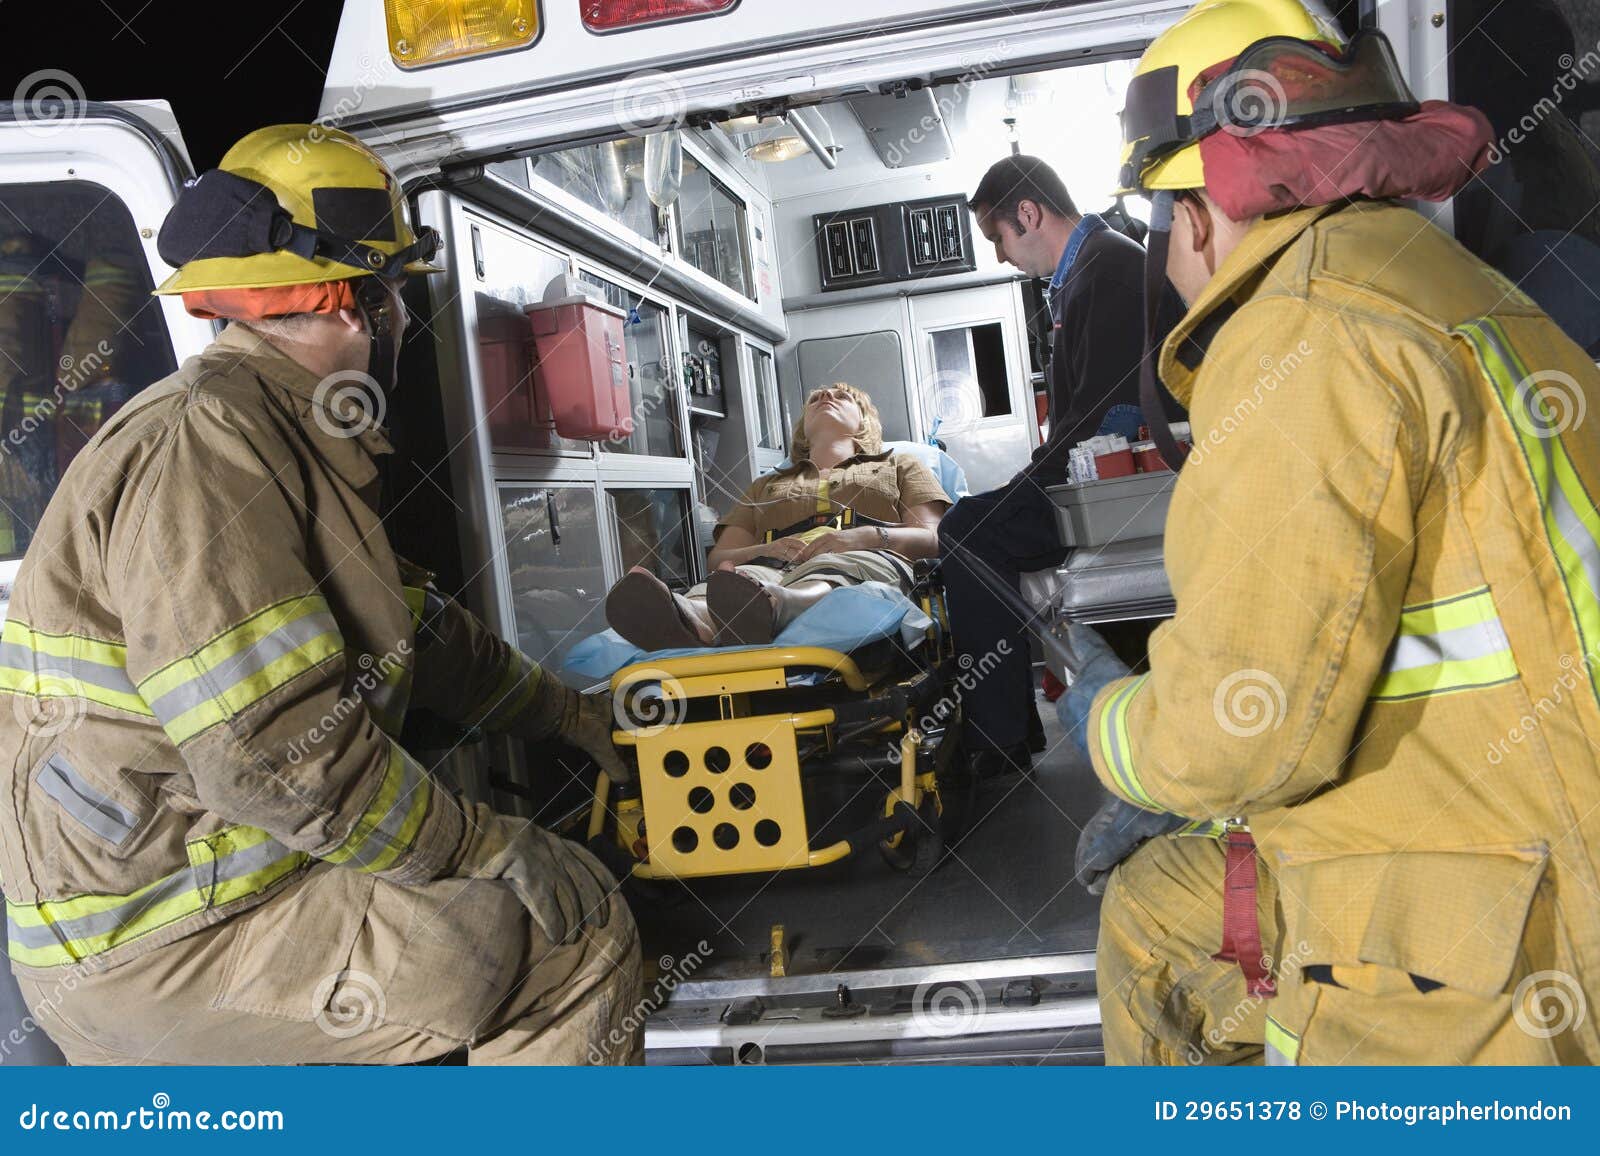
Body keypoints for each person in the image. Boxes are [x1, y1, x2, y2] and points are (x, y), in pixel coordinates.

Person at [0, 125, 643, 1065]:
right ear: (357, 307)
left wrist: (564, 716)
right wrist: (486, 846)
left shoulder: (267, 430)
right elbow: (268, 757)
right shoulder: (206, 450)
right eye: (396, 297)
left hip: (192, 896)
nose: (402, 325)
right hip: (168, 937)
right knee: (573, 937)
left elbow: (415, 632)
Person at [1059, 0, 1600, 1065]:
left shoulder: (1303, 333)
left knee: (1160, 941)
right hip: (1524, 798)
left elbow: (1235, 737)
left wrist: (1107, 727)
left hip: (1504, 899)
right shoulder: (1448, 287)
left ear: (1200, 211)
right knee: (1157, 906)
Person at [938, 155, 1160, 776]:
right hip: (1089, 472)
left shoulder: (1108, 273)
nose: (1003, 257)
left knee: (965, 532)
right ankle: (1008, 727)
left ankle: (1000, 739)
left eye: (998, 237)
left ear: (1028, 215)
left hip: (1112, 487)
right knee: (974, 521)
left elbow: (1104, 413)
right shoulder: (1087, 275)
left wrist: (1028, 486)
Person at [606, 383, 950, 649]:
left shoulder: (899, 466)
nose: (826, 395)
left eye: (842, 396)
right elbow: (719, 558)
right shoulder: (767, 485)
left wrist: (869, 537)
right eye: (816, 398)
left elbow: (934, 539)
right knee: (738, 577)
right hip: (770, 569)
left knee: (838, 568)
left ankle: (777, 604)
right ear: (804, 429)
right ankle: (687, 616)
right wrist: (762, 551)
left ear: (865, 424)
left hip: (866, 557)